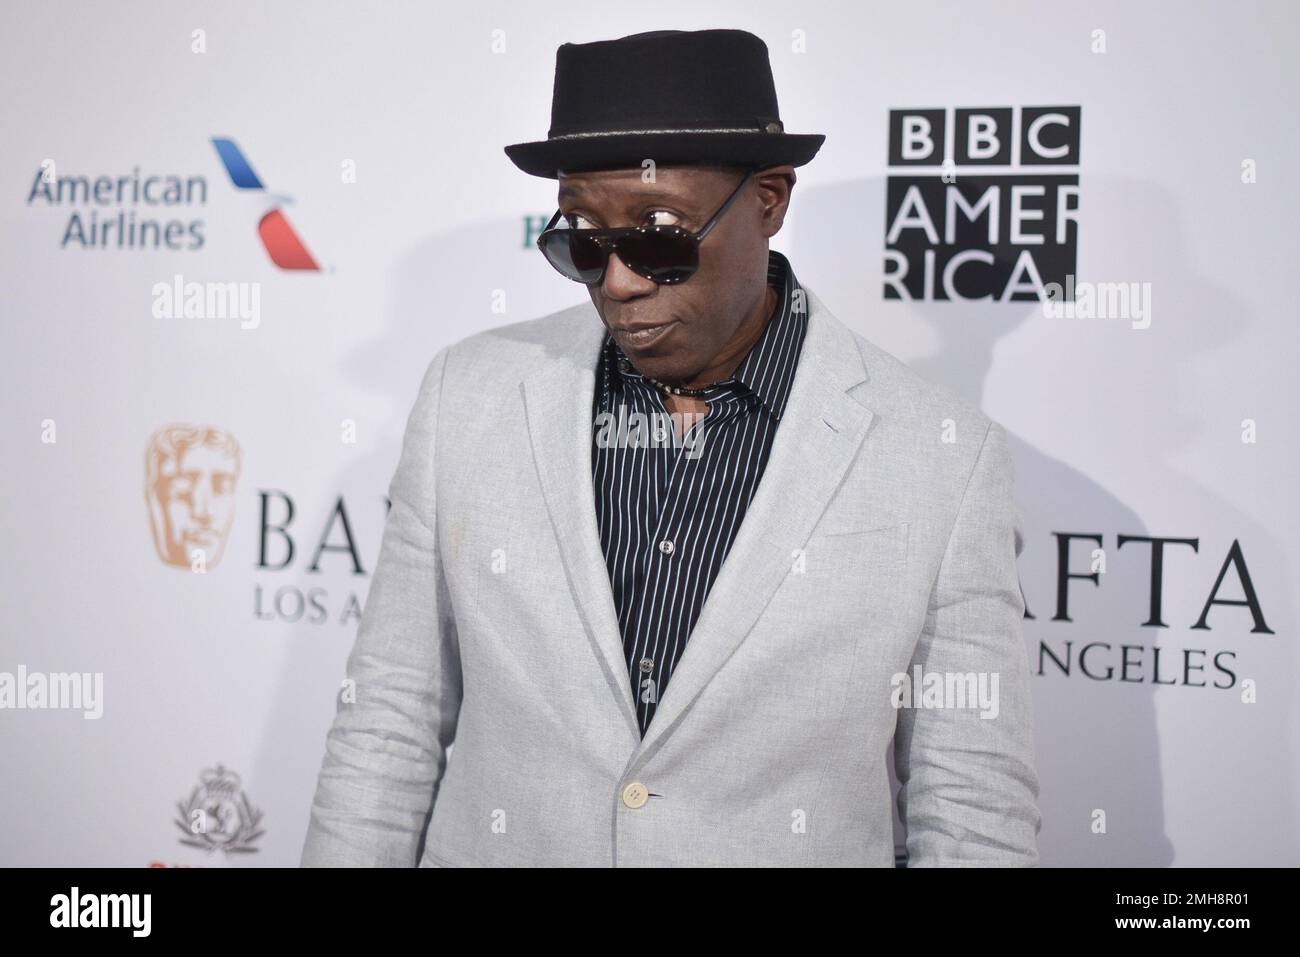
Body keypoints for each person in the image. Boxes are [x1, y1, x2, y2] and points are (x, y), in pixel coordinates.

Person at [302, 27, 1041, 867]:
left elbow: (972, 809)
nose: (616, 283)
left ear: (770, 198)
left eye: (659, 236)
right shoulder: (465, 396)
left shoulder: (942, 456)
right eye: (580, 237)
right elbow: (387, 723)